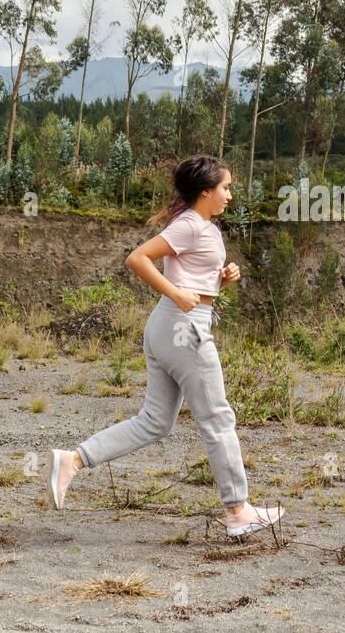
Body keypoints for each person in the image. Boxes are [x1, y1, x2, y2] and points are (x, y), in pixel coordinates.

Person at [46, 155, 284, 536]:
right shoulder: (190, 224)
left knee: (155, 421)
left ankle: (73, 460)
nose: (230, 194)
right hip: (183, 328)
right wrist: (176, 294)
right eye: (225, 187)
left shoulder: (204, 227)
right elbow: (137, 258)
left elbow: (194, 280)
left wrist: (222, 280)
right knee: (218, 417)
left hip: (170, 325)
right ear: (206, 191)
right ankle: (238, 511)